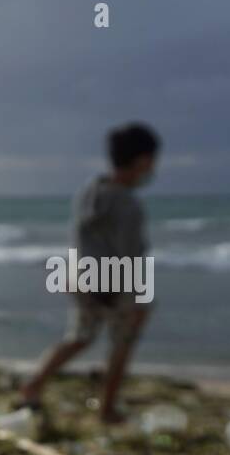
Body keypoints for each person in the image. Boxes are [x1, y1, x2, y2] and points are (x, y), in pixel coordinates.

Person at [19, 123, 161, 424]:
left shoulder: (90, 192)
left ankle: (35, 384)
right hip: (115, 280)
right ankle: (107, 407)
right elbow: (128, 254)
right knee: (122, 342)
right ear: (142, 160)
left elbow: (82, 238)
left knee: (79, 337)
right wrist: (137, 298)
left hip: (83, 275)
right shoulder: (127, 204)